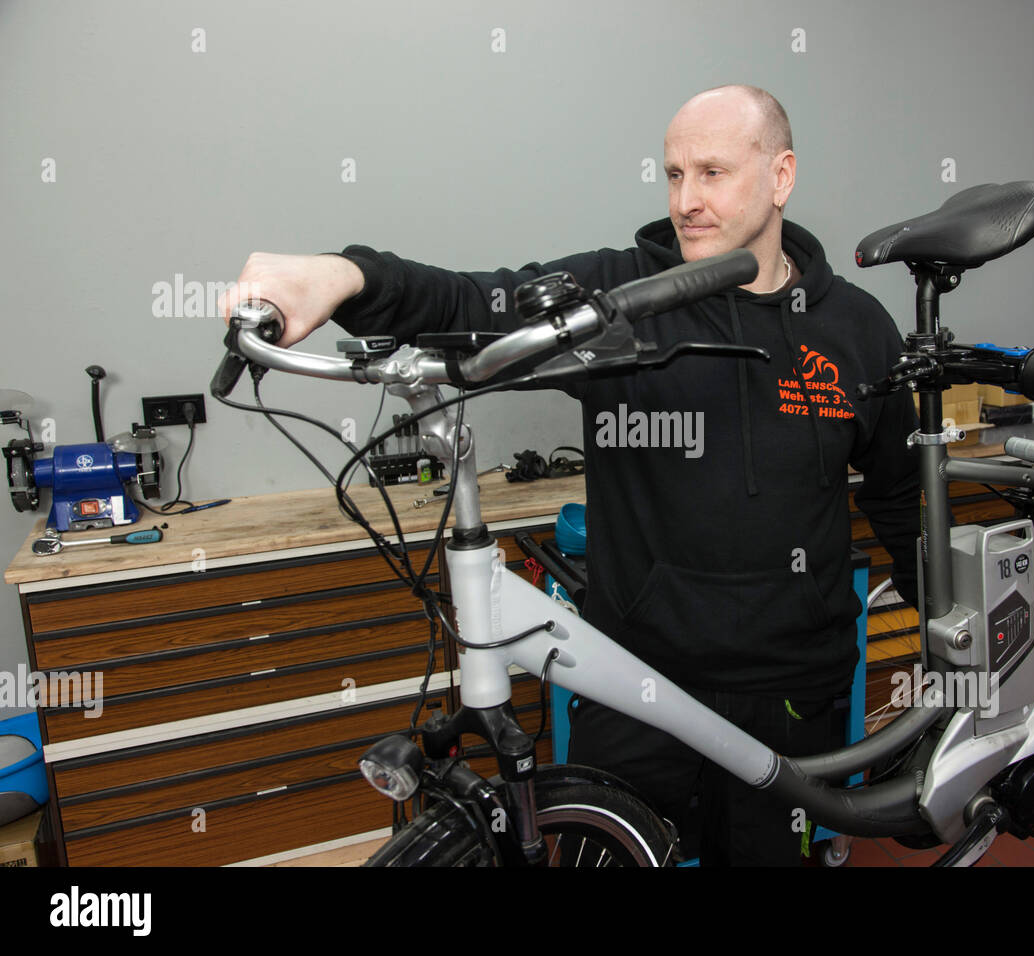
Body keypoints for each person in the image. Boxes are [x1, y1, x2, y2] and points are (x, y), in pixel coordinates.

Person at [221, 84, 921, 866]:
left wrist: (956, 653)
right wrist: (346, 276)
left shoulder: (857, 328)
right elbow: (471, 298)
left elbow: (900, 495)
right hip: (638, 683)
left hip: (790, 691)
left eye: (713, 173)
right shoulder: (620, 299)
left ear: (781, 175)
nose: (687, 199)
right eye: (674, 174)